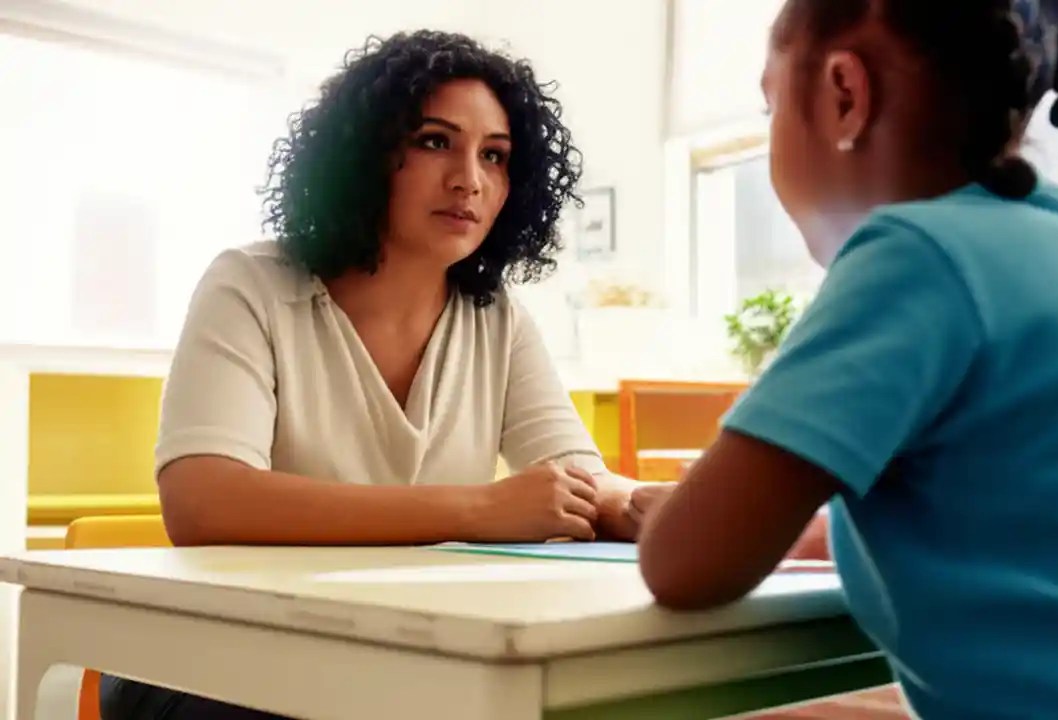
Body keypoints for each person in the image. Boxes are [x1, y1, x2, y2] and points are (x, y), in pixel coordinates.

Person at [638, 1, 1058, 718]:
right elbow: (1031, 516)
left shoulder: (914, 256)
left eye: (770, 110)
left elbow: (683, 565)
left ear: (844, 95)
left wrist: (671, 511)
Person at [102, 29, 655, 720]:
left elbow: (575, 477)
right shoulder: (250, 284)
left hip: (395, 657)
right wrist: (481, 509)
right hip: (219, 659)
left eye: (495, 156)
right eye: (433, 141)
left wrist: (639, 503)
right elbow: (203, 502)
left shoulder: (496, 315)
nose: (469, 179)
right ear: (361, 155)